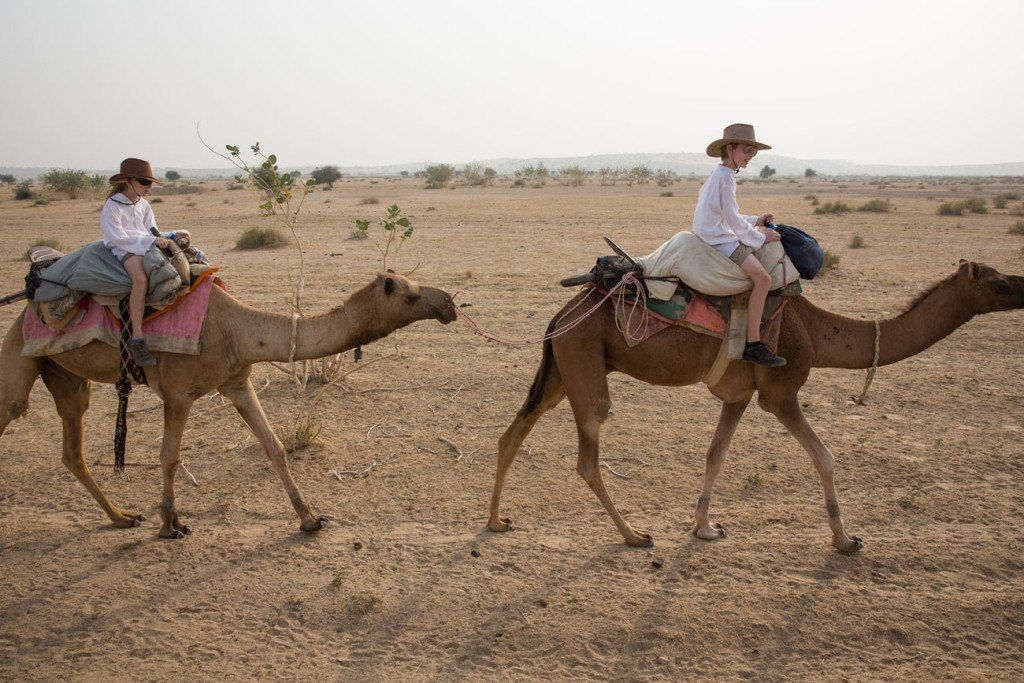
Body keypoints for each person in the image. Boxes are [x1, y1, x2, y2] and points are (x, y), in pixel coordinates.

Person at [697, 123, 786, 367]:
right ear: (730, 148)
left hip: (715, 234)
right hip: (719, 241)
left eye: (753, 152)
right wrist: (761, 237)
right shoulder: (725, 177)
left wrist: (756, 221)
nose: (750, 157)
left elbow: (729, 215)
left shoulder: (721, 174)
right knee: (764, 280)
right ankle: (753, 344)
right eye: (747, 150)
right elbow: (733, 221)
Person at [101, 158, 188, 366]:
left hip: (147, 245)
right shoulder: (112, 206)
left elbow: (152, 230)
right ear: (128, 181)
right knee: (140, 280)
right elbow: (117, 237)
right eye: (144, 182)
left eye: (150, 183)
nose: (149, 187)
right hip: (125, 249)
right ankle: (137, 339)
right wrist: (151, 241)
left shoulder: (144, 205)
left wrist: (174, 234)